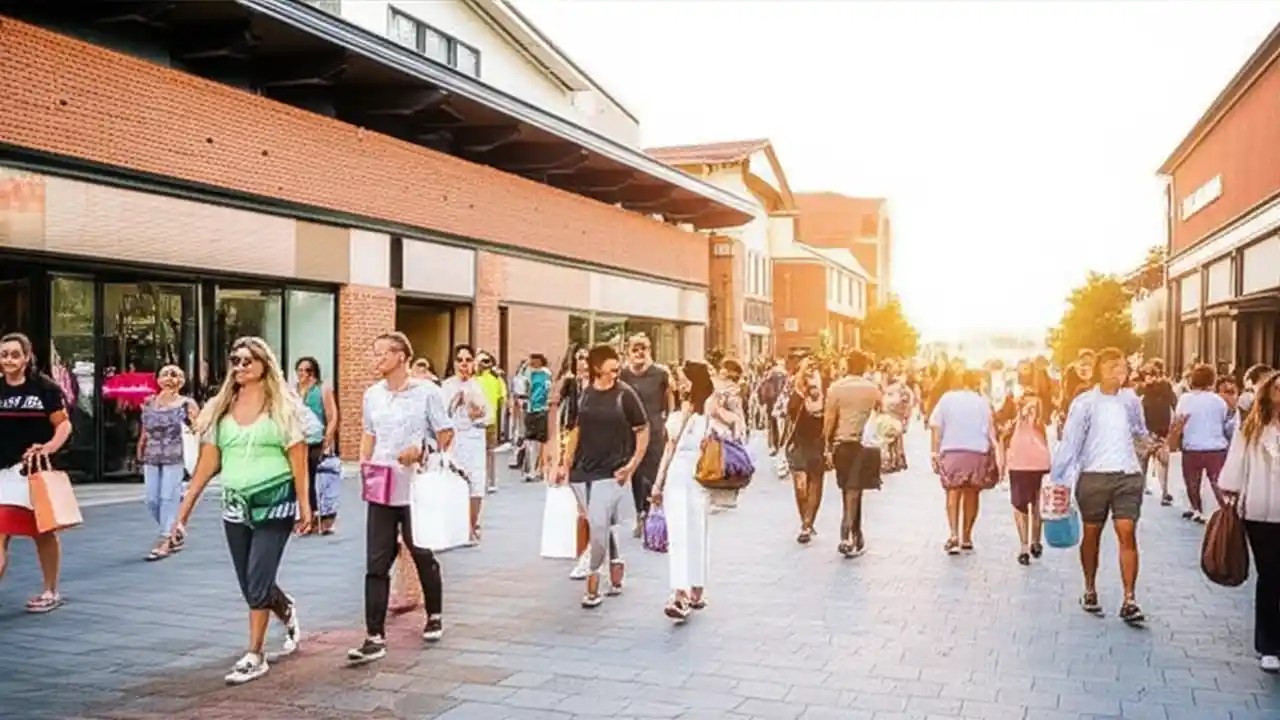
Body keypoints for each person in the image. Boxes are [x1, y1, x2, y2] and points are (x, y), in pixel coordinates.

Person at [174, 336, 311, 684]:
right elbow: (206, 466)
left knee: (257, 580)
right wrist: (182, 516)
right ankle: (285, 608)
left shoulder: (281, 407)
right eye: (235, 360)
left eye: (247, 360)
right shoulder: (222, 409)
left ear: (264, 364)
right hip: (235, 505)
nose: (239, 366)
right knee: (250, 583)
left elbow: (298, 458)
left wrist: (305, 506)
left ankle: (255, 654)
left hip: (275, 501)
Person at [346, 332, 453, 666]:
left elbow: (446, 434)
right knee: (376, 561)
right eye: (374, 353)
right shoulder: (372, 395)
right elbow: (369, 432)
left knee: (420, 551)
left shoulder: (427, 393)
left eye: (382, 353)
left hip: (415, 484)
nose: (376, 359)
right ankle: (373, 636)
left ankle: (434, 613)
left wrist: (422, 449)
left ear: (402, 355)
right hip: (381, 482)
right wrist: (364, 461)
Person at [1051, 347, 1150, 625]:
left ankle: (1129, 599)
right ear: (1099, 371)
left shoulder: (1131, 401)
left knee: (1127, 532)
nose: (1118, 372)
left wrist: (1152, 446)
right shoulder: (1084, 403)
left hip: (1127, 475)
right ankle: (1090, 588)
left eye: (1122, 366)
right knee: (1092, 535)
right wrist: (1059, 481)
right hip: (1093, 476)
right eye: (1111, 367)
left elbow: (1139, 433)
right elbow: (1070, 443)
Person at [552, 344, 648, 608]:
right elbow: (576, 429)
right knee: (597, 520)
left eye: (618, 368)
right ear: (597, 368)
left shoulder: (625, 394)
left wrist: (631, 465)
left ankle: (593, 580)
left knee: (597, 523)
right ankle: (616, 558)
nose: (616, 372)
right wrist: (564, 462)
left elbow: (642, 430)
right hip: (582, 470)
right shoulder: (585, 394)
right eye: (611, 368)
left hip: (612, 469)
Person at [0, 332, 73, 614]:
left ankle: (51, 589)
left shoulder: (44, 388)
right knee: (3, 530)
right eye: (4, 354)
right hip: (2, 473)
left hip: (31, 472)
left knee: (43, 532)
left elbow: (64, 425)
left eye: (15, 354)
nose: (8, 360)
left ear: (27, 356)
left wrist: (48, 447)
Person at [1218, 369, 1280, 672]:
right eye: (1278, 389)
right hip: (1259, 512)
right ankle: (1269, 644)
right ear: (1267, 393)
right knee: (1269, 576)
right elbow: (1235, 464)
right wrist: (1230, 493)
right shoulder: (1252, 429)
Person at [650, 360, 716, 623]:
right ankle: (681, 591)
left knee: (696, 530)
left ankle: (694, 589)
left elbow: (735, 426)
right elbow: (669, 450)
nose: (678, 384)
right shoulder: (681, 411)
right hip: (680, 476)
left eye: (682, 379)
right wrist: (659, 482)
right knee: (680, 532)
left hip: (698, 475)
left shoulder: (708, 409)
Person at [930, 369, 999, 555]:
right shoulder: (983, 402)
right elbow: (991, 431)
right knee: (972, 493)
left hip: (952, 449)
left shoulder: (947, 399)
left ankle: (953, 534)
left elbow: (936, 426)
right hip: (977, 450)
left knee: (953, 492)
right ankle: (967, 536)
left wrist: (934, 452)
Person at [137, 365, 199, 560]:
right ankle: (176, 529)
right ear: (158, 379)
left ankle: (165, 539)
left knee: (168, 498)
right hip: (152, 454)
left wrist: (193, 424)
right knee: (152, 500)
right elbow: (145, 428)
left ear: (181, 381)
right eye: (165, 374)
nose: (169, 379)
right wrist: (141, 445)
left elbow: (197, 428)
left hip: (175, 454)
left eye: (175, 375)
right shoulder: (149, 402)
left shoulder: (186, 403)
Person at [823, 349, 881, 558]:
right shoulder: (873, 389)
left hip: (842, 442)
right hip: (865, 444)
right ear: (865, 366)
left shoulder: (836, 388)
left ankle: (849, 533)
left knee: (848, 488)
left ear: (847, 365)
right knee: (855, 489)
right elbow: (880, 412)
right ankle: (853, 533)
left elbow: (829, 420)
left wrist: (827, 445)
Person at [619, 334, 674, 537]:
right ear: (629, 352)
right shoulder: (623, 375)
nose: (640, 353)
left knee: (653, 473)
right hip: (631, 433)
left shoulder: (660, 374)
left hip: (655, 431)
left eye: (644, 349)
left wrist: (670, 421)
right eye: (635, 349)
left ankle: (652, 514)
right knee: (634, 473)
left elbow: (670, 398)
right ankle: (639, 513)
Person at [1173, 363, 1234, 524]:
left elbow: (1179, 421)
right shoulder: (1219, 401)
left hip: (1192, 446)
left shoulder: (1185, 399)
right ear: (1212, 381)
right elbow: (1224, 420)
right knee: (1217, 482)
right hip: (1216, 447)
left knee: (1192, 482)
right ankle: (1227, 510)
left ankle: (1197, 509)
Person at [551, 344, 592, 580]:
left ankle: (598, 555)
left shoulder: (602, 388)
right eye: (579, 358)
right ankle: (582, 557)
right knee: (581, 508)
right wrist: (559, 458)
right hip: (574, 448)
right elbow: (560, 417)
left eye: (587, 358)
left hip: (597, 451)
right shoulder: (571, 386)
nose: (583, 363)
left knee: (595, 510)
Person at [442, 345, 490, 544]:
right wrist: (456, 401)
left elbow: (487, 415)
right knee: (454, 480)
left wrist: (476, 412)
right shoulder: (446, 386)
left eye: (468, 360)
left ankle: (471, 525)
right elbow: (441, 414)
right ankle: (454, 525)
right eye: (460, 360)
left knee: (476, 482)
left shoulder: (478, 385)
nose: (464, 364)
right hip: (454, 438)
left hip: (474, 438)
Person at [1006, 366, 1050, 566]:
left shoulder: (1015, 415)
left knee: (1019, 504)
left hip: (1019, 462)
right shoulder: (1040, 418)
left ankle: (1023, 546)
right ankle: (1036, 541)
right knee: (1037, 502)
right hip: (1039, 462)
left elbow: (1003, 434)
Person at [294, 357, 339, 535]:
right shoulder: (294, 391)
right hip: (299, 441)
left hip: (316, 440)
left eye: (308, 370)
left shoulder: (322, 389)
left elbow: (332, 415)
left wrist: (328, 439)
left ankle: (317, 515)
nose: (303, 374)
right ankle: (304, 515)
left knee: (314, 478)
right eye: (300, 370)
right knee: (300, 479)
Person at [785, 355, 826, 543]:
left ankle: (808, 524)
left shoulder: (827, 391)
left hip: (818, 443)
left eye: (814, 368)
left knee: (815, 483)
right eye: (808, 367)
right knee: (800, 486)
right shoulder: (793, 391)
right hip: (798, 443)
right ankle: (805, 520)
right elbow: (784, 413)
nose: (811, 371)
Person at [1138, 359, 1177, 506]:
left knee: (1161, 461)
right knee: (1145, 461)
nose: (1151, 378)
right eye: (1148, 375)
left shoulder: (1165, 387)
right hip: (1149, 431)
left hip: (1159, 430)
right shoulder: (1141, 390)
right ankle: (1148, 488)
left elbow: (1175, 404)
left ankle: (1163, 492)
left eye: (1153, 374)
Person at [475, 351, 506, 494]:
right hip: (475, 422)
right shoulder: (473, 378)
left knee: (490, 452)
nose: (484, 364)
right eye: (481, 361)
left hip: (490, 421)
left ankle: (491, 480)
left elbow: (503, 398)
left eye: (487, 361)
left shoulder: (496, 379)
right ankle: (480, 480)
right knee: (479, 453)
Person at [521, 354, 554, 483]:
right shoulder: (529, 373)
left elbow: (546, 390)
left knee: (539, 441)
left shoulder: (544, 374)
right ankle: (532, 469)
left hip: (540, 409)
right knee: (531, 441)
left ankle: (538, 469)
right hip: (532, 409)